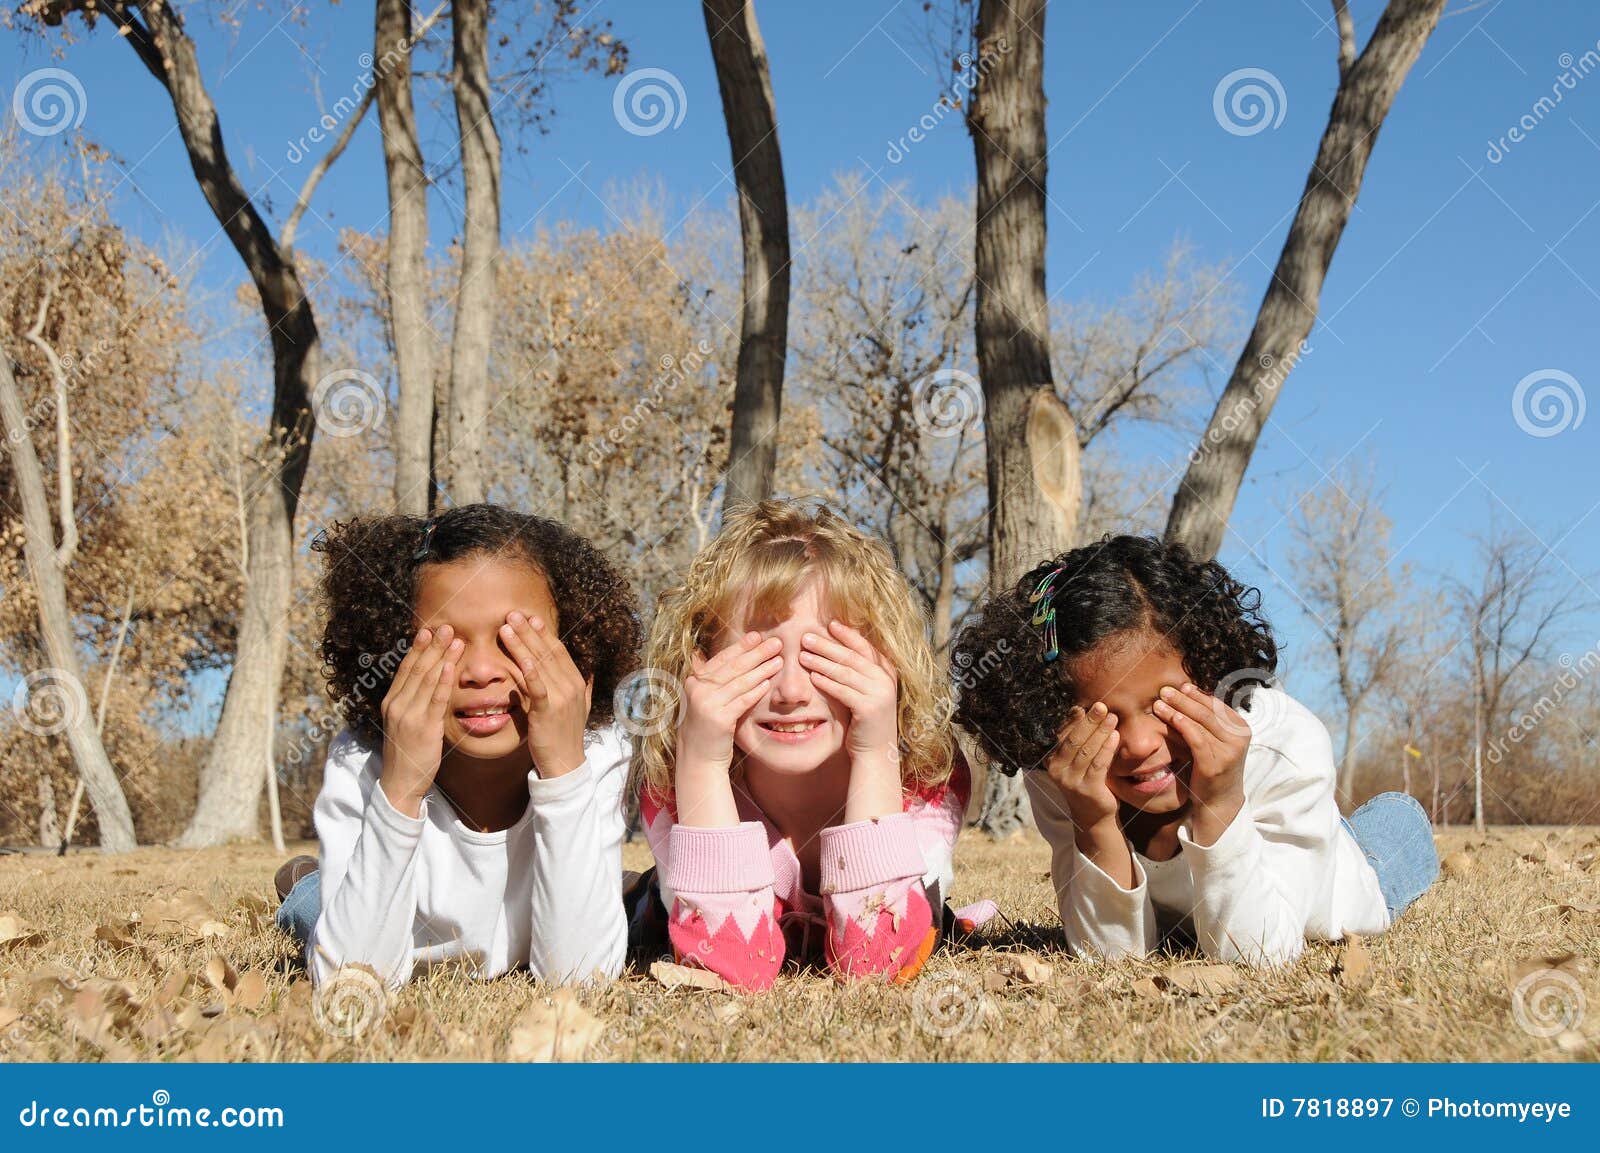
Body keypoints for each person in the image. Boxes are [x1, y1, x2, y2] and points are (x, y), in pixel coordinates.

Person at [952, 535, 1437, 966]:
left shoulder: (1284, 746)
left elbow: (1257, 954)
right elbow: (1109, 959)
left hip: (1340, 878)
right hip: (1260, 849)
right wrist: (1094, 823)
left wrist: (1221, 800)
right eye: (1104, 717)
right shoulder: (1068, 766)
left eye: (1164, 702)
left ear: (1210, 671)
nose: (1141, 745)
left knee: (1394, 827)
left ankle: (1367, 828)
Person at [273, 503, 641, 988]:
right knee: (314, 910)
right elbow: (352, 979)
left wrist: (564, 770)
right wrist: (401, 788)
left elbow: (580, 979)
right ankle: (307, 884)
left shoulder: (596, 750)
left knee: (624, 907)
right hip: (390, 931)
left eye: (513, 640)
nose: (481, 671)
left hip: (541, 925)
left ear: (577, 656)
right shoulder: (362, 760)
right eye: (446, 644)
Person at [629, 499, 969, 991]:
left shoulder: (927, 779)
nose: (790, 692)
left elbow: (878, 964)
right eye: (759, 659)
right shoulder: (671, 786)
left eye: (821, 657)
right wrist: (701, 763)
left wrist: (876, 754)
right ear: (699, 666)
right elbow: (731, 970)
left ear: (886, 662)